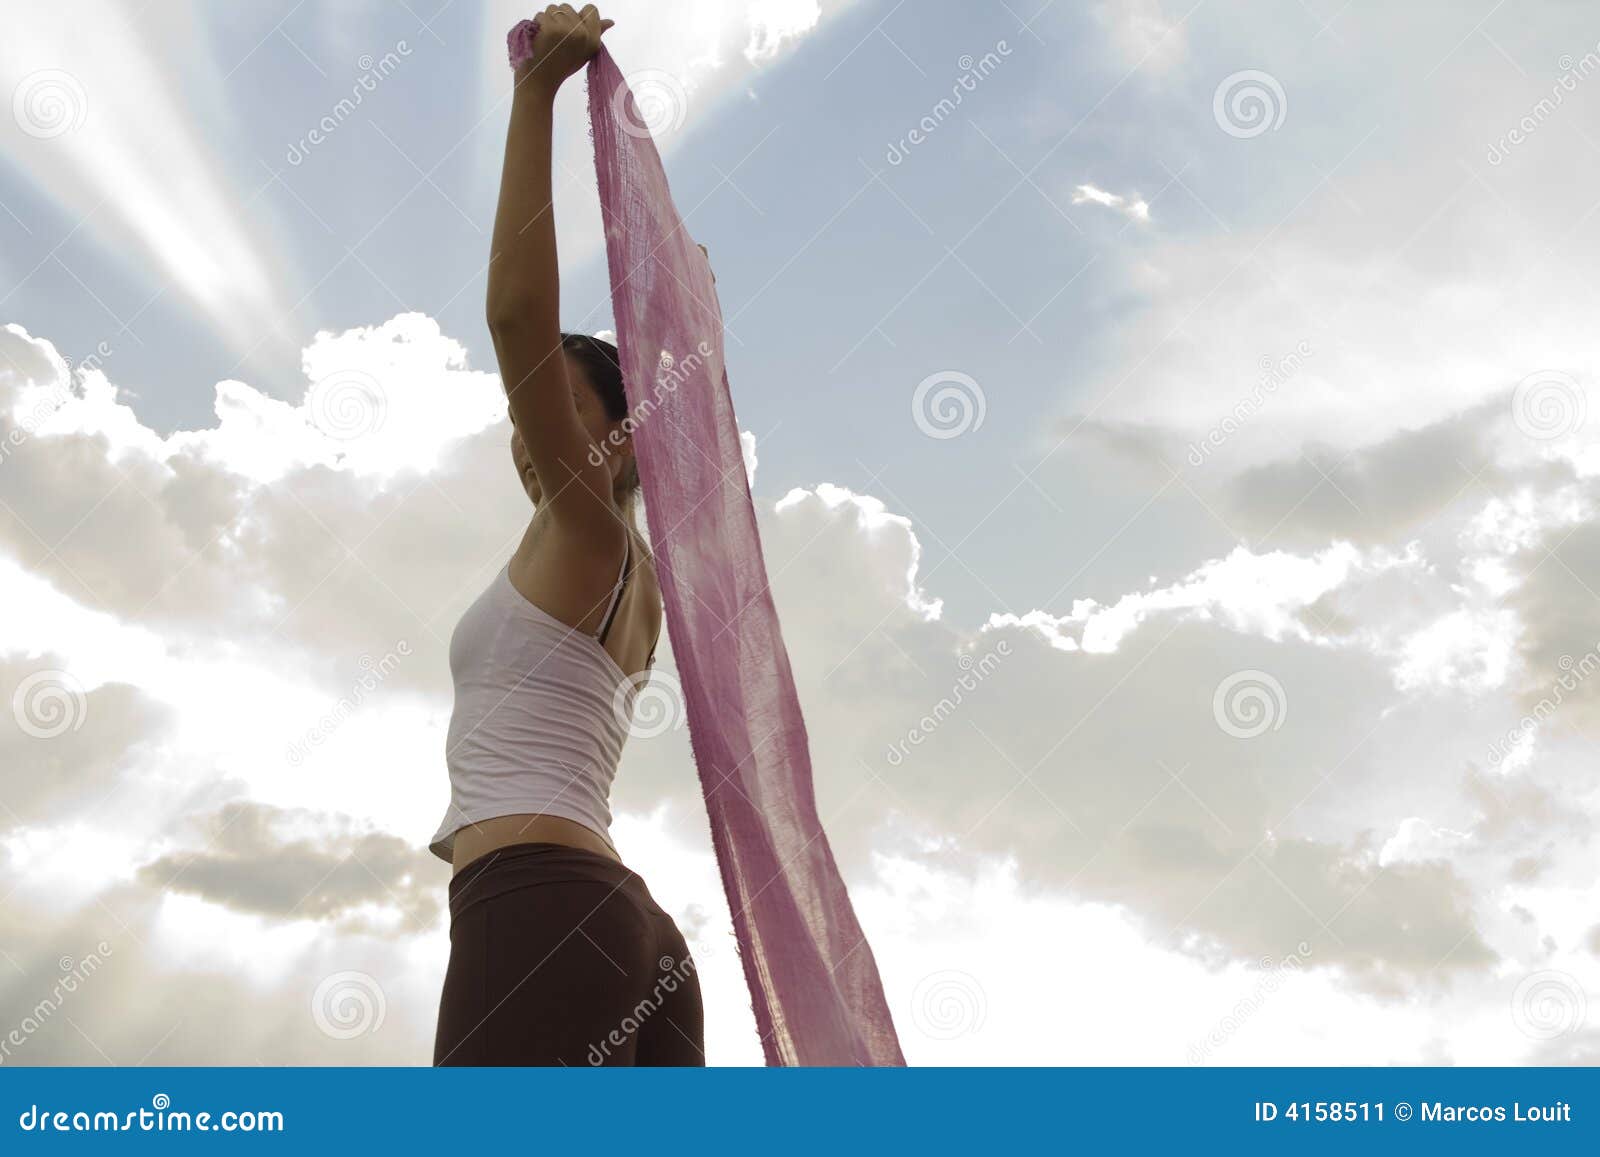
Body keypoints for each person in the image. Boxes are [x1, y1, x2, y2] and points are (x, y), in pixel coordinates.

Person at [430, 3, 704, 1066]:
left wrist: (535, 92)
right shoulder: (635, 575)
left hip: (542, 906)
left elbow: (514, 319)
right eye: (515, 419)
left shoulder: (587, 531)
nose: (523, 432)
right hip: (628, 929)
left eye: (550, 409)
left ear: (625, 440)